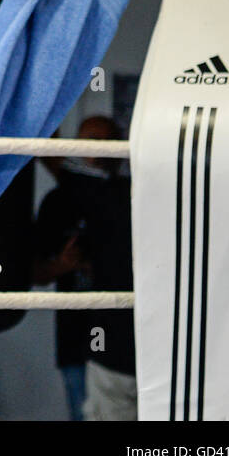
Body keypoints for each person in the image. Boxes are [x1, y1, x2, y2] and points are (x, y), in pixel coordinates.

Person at [34, 115, 135, 420]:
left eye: (106, 142)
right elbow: (31, 272)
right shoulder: (59, 200)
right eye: (89, 142)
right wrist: (61, 265)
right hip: (78, 338)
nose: (98, 151)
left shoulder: (131, 194)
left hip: (129, 338)